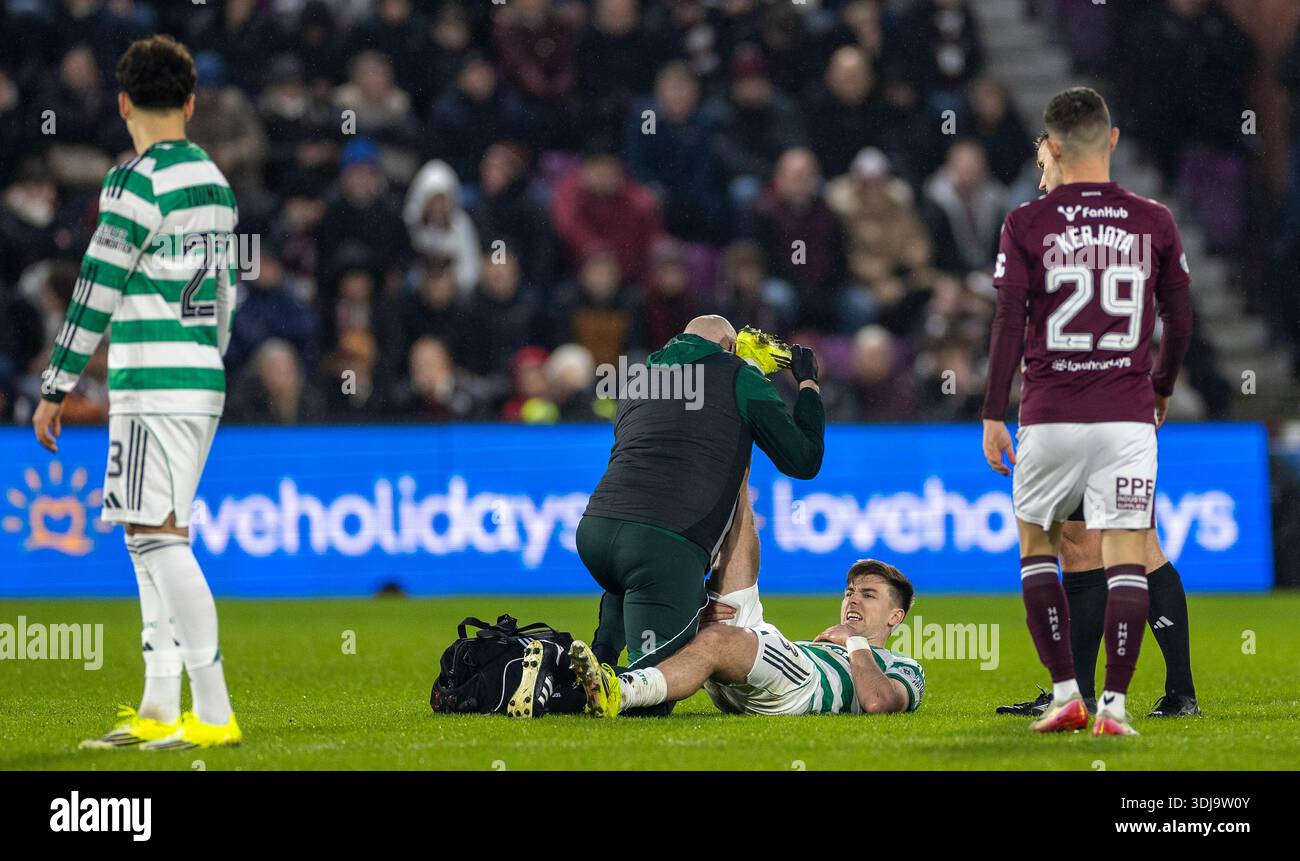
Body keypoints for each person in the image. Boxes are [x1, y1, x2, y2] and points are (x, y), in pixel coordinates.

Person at [30, 35, 242, 750]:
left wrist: (56, 383)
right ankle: (159, 704)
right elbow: (225, 293)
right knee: (150, 536)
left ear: (123, 102)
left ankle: (211, 712)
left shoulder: (132, 181)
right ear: (191, 101)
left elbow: (95, 286)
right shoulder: (216, 183)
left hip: (153, 381)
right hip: (200, 379)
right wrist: (208, 363)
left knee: (154, 536)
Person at [981, 87, 1194, 737]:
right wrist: (1162, 385)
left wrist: (993, 410)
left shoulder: (1028, 222)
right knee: (1119, 551)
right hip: (1126, 414)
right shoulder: (1153, 218)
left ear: (1050, 146)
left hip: (1051, 413)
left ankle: (1085, 688)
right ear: (1113, 140)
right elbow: (1179, 315)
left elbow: (1007, 326)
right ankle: (1105, 702)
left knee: (1051, 551)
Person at [577, 316, 824, 683]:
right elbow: (804, 460)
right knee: (655, 686)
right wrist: (807, 384)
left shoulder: (637, 377)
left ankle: (595, 659)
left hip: (596, 531)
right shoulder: (738, 375)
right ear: (729, 346)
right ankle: (595, 685)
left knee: (629, 580)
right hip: (662, 544)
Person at [568, 473, 924, 717]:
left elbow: (877, 702)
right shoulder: (825, 643)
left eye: (869, 595)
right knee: (732, 590)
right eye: (850, 592)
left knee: (720, 638)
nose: (853, 600)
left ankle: (622, 689)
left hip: (803, 684)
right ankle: (737, 463)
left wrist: (854, 643)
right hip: (782, 665)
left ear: (896, 616)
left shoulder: (905, 669)